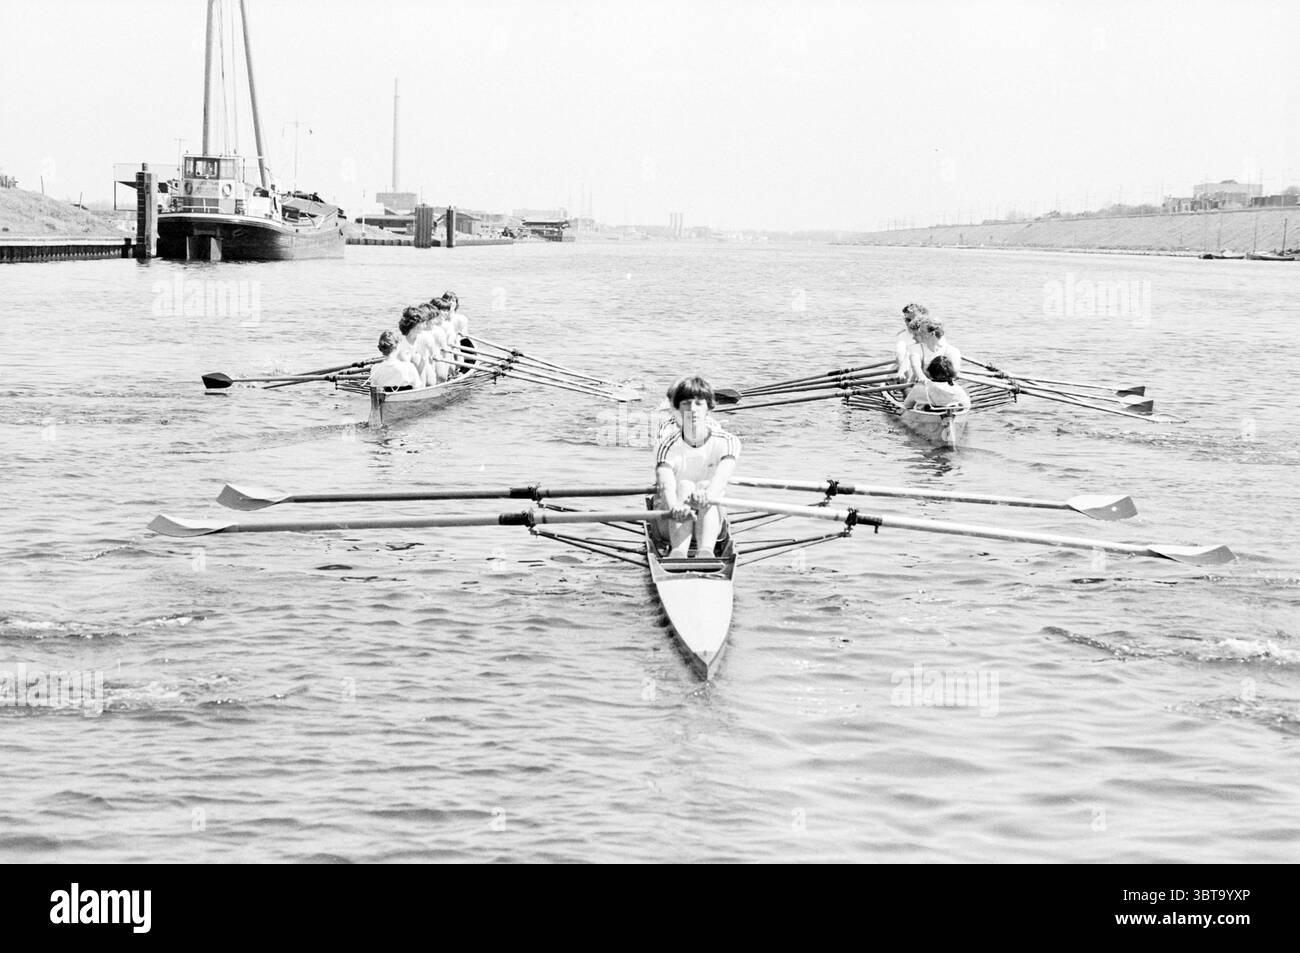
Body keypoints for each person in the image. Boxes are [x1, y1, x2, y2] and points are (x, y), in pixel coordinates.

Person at [653, 376, 742, 559]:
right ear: (677, 408)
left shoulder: (728, 441)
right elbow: (665, 484)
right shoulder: (666, 444)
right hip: (671, 518)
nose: (692, 409)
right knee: (684, 485)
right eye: (686, 404)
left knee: (703, 486)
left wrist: (707, 494)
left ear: (709, 407)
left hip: (711, 518)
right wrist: (675, 505)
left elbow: (721, 478)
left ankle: (706, 552)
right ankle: (678, 553)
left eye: (698, 404)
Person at [903, 355, 970, 410]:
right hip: (950, 411)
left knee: (907, 390)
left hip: (928, 414)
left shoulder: (919, 388)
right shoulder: (958, 389)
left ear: (930, 372)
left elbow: (907, 405)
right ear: (951, 372)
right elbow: (967, 406)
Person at [908, 317, 962, 382]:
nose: (919, 334)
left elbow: (954, 373)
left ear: (932, 334)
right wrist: (921, 377)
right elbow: (916, 367)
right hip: (923, 384)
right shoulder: (916, 349)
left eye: (922, 331)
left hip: (945, 384)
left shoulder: (952, 351)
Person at [894, 303, 927, 383]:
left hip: (925, 370)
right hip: (910, 371)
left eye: (913, 320)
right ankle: (906, 384)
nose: (908, 322)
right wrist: (901, 371)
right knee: (902, 353)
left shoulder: (931, 333)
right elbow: (904, 355)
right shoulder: (902, 335)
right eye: (907, 319)